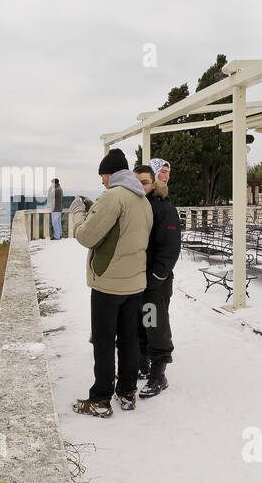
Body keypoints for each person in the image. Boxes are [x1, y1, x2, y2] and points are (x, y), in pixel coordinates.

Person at [69, 148, 154, 417]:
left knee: (105, 342)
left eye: (103, 177)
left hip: (109, 284)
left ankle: (100, 400)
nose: (102, 182)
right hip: (134, 284)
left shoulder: (113, 196)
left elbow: (86, 237)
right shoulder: (142, 201)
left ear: (111, 173)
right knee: (129, 339)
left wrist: (78, 213)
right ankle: (127, 393)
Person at [138, 158, 183, 397]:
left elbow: (170, 247)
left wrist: (157, 275)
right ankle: (142, 363)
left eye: (168, 172)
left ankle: (159, 373)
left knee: (155, 323)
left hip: (156, 280)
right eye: (161, 172)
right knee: (143, 321)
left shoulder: (164, 207)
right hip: (139, 278)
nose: (165, 176)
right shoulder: (142, 203)